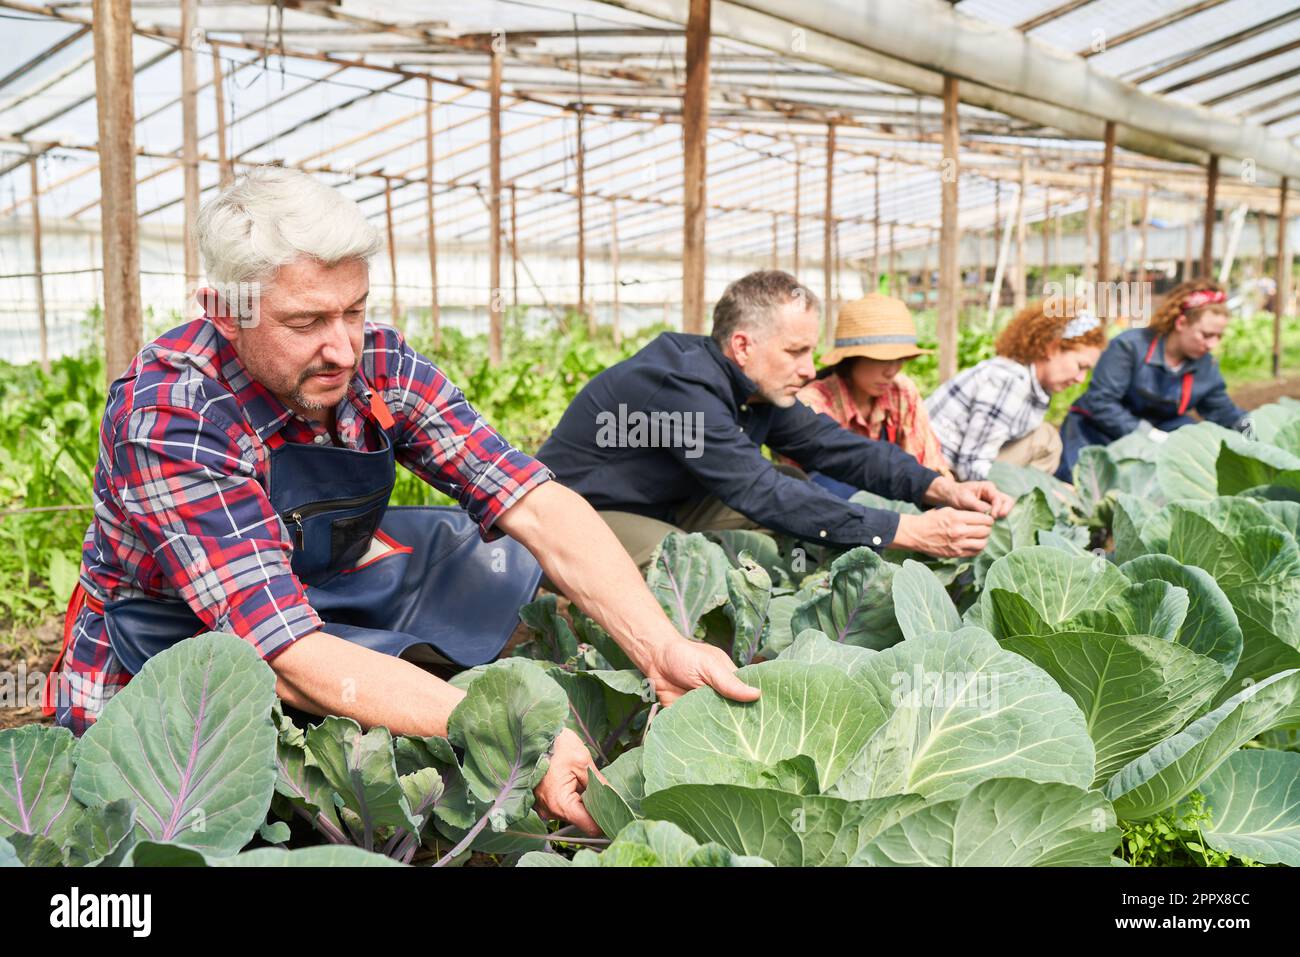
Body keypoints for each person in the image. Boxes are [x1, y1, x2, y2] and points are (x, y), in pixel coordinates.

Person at [43, 167, 758, 837]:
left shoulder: (376, 360)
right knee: (176, 831)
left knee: (491, 556)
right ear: (224, 314)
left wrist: (660, 645)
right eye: (305, 321)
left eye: (354, 309)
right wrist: (511, 733)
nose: (342, 348)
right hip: (162, 658)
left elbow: (532, 499)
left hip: (307, 608)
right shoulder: (172, 413)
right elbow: (284, 654)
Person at [537, 270, 1013, 568]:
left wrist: (940, 488)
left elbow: (835, 446)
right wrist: (910, 531)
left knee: (790, 482)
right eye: (796, 351)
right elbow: (759, 492)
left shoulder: (754, 388)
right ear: (743, 345)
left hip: (665, 502)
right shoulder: (680, 386)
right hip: (581, 512)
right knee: (684, 564)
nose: (810, 367)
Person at [1056, 280, 1251, 479]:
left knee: (1188, 430)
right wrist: (1147, 434)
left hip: (1160, 432)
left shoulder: (1204, 366)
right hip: (1098, 431)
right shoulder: (1130, 346)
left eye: (1219, 336)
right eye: (1207, 335)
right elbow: (1100, 401)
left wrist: (1253, 433)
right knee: (1082, 484)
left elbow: (1224, 412)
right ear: (1181, 322)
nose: (1213, 344)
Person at [783, 292, 952, 498]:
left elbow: (927, 462)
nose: (892, 370)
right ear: (852, 359)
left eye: (900, 359)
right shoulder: (812, 404)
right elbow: (797, 489)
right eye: (882, 359)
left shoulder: (901, 392)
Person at [926, 299, 1106, 481]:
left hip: (954, 465)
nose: (1080, 378)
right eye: (1080, 366)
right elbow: (971, 465)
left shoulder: (1029, 382)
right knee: (1045, 441)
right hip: (936, 472)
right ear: (1051, 348)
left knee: (1046, 438)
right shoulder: (1010, 383)